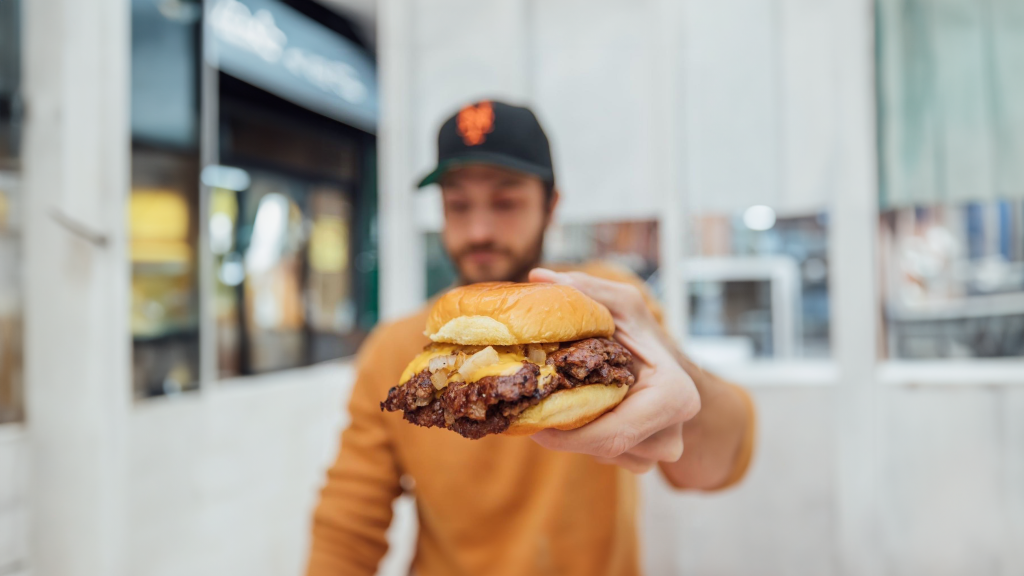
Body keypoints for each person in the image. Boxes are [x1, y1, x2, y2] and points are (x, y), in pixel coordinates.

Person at [305, 100, 756, 576]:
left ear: (551, 206)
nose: (479, 230)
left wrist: (676, 371)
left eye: (506, 202)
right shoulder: (397, 349)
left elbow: (714, 470)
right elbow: (349, 522)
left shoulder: (611, 312)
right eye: (458, 205)